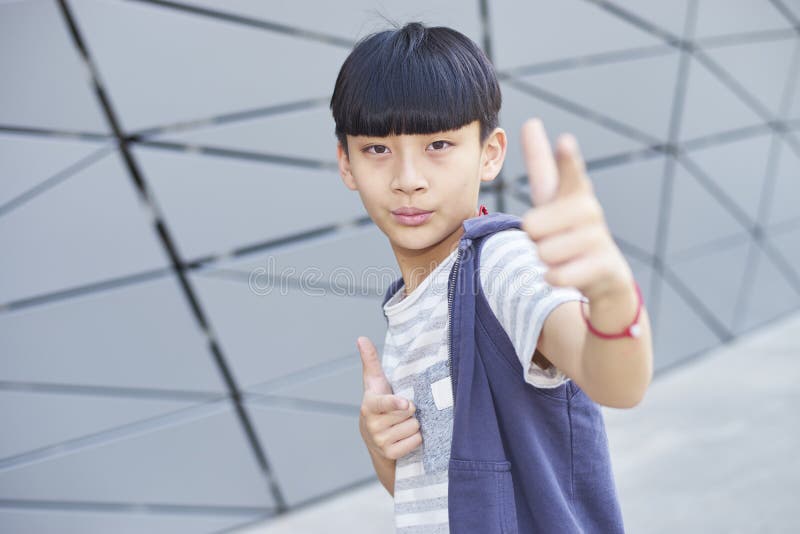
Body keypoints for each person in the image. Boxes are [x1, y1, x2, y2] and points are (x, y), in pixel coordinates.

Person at [330, 21, 654, 533]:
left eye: (438, 145)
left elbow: (618, 383)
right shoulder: (412, 303)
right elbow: (445, 499)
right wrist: (381, 447)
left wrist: (611, 292)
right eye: (377, 149)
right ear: (345, 163)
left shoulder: (501, 263)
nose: (408, 179)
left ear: (490, 153)